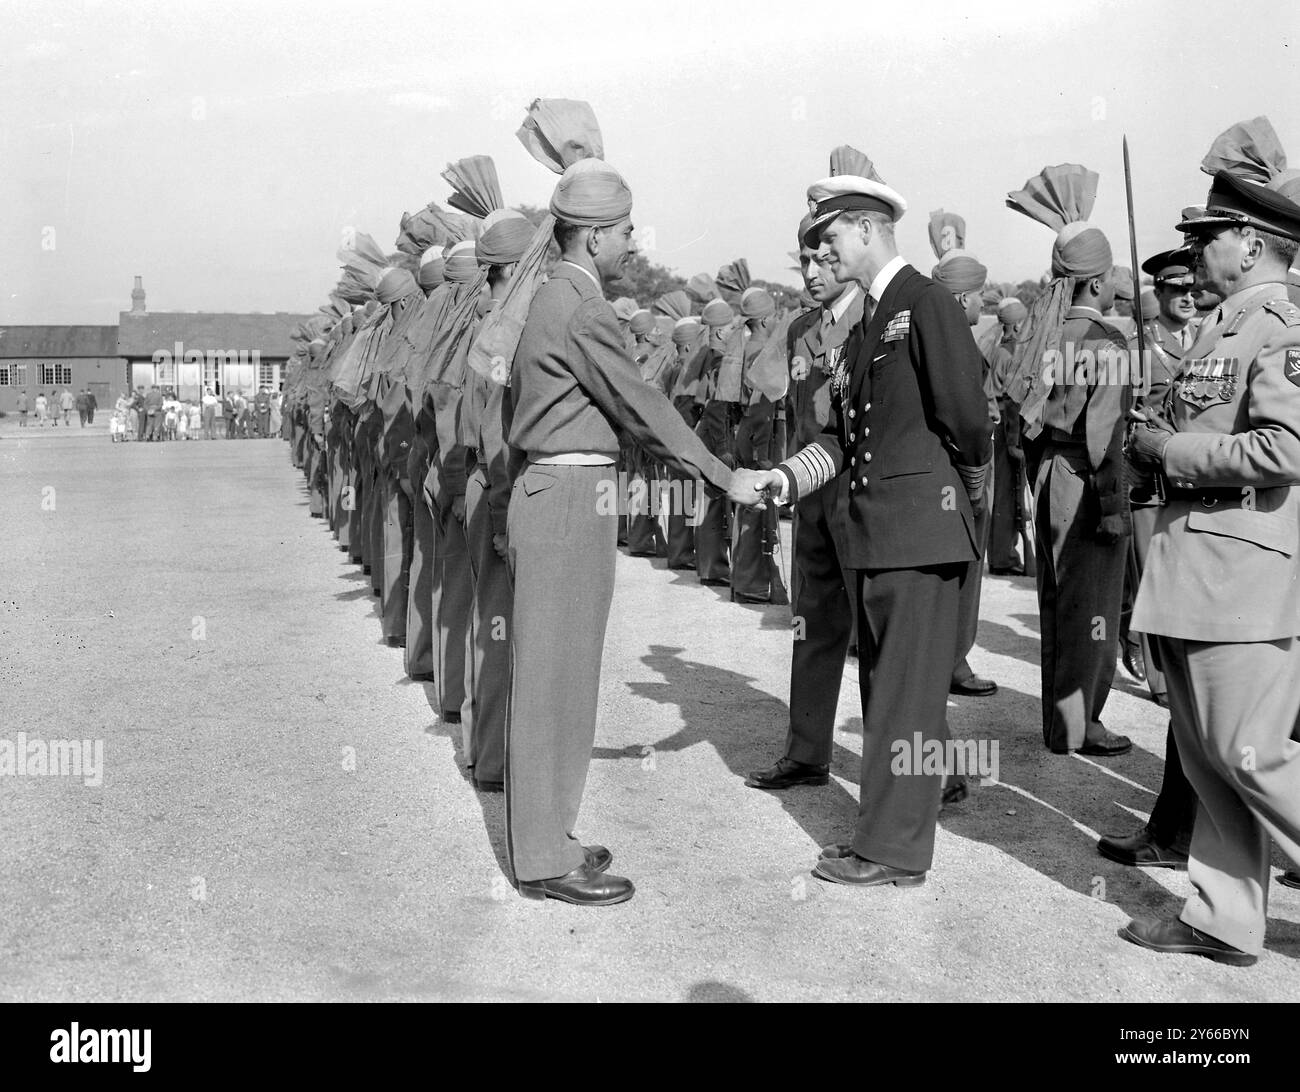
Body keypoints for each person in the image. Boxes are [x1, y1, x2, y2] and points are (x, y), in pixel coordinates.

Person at [737, 169, 991, 888]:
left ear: (868, 229)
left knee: (905, 702)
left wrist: (959, 492)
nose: (822, 253)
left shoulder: (925, 301)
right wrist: (782, 480)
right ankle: (881, 836)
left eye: (830, 238)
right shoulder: (875, 317)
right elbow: (847, 438)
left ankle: (894, 850)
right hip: (880, 533)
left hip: (919, 530)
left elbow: (967, 418)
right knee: (888, 698)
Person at [505, 155, 732, 905]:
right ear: (596, 234)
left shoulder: (555, 294)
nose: (633, 241)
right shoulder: (583, 306)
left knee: (562, 677)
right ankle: (541, 855)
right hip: (569, 496)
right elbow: (644, 406)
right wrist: (724, 475)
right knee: (554, 683)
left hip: (566, 492)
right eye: (626, 229)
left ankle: (552, 835)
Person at [1120, 170, 1300, 966]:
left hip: (1243, 579)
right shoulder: (1221, 327)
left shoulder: (1283, 327)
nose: (1193, 251)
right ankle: (1223, 916)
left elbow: (1288, 450)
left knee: (1252, 752)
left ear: (1252, 243)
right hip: (1195, 572)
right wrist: (1154, 438)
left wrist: (1173, 450)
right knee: (1208, 758)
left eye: (1206, 236)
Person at [1006, 163, 1132, 757]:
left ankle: (1059, 723)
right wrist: (1114, 509)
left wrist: (1039, 476)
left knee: (1058, 603)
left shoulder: (1043, 335)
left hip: (1052, 477)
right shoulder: (1107, 343)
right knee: (1094, 608)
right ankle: (1081, 723)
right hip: (1087, 481)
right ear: (1100, 281)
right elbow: (1106, 438)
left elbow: (1024, 423)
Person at [746, 212, 863, 792]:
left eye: (824, 259)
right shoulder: (800, 330)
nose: (812, 273)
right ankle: (807, 751)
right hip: (812, 489)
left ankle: (930, 765)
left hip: (864, 494)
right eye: (805, 262)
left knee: (889, 638)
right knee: (810, 625)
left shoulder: (879, 321)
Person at [1118, 247, 1197, 700]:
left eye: (1191, 287)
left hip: (1188, 474)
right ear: (1159, 291)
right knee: (1150, 576)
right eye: (1177, 289)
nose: (1187, 296)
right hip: (1147, 478)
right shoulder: (1137, 348)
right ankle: (1160, 677)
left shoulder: (1204, 339)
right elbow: (1114, 410)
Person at [931, 248, 998, 699]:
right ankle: (954, 661)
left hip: (941, 479)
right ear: (959, 300)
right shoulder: (959, 347)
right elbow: (971, 423)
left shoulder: (933, 337)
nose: (982, 304)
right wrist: (976, 482)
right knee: (964, 573)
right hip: (963, 476)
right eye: (977, 296)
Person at [987, 297, 1030, 573]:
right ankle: (1004, 558)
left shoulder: (997, 349)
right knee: (1009, 495)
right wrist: (1015, 442)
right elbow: (1013, 401)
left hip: (998, 425)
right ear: (1015, 325)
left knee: (1003, 494)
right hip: (1008, 428)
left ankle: (1004, 556)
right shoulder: (1012, 353)